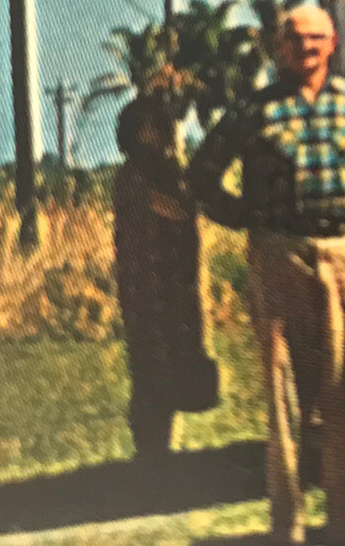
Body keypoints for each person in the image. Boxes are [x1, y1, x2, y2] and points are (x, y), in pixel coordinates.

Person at [190, 5, 345, 546]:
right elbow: (203, 173)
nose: (305, 47)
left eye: (315, 37)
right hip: (281, 256)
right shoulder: (253, 111)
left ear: (332, 43)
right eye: (294, 38)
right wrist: (247, 219)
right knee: (286, 395)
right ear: (278, 48)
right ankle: (289, 528)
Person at [111, 95, 205, 462]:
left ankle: (161, 446)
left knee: (171, 361)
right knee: (150, 365)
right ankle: (151, 449)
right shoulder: (133, 177)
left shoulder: (167, 172)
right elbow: (174, 210)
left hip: (174, 285)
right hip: (146, 286)